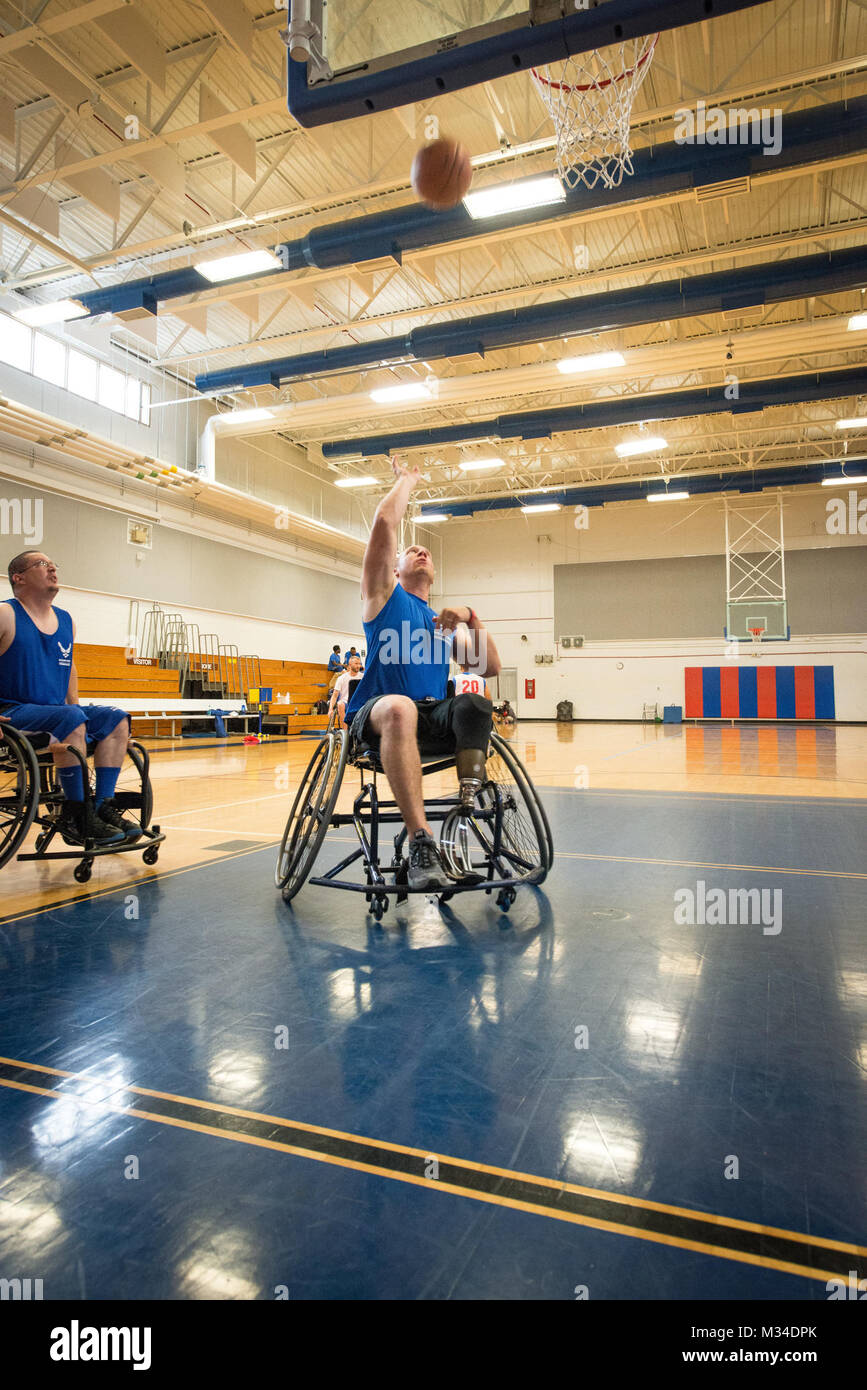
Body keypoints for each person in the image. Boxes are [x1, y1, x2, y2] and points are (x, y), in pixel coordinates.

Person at [344, 458, 500, 891]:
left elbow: (488, 668)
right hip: (376, 718)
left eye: (426, 551)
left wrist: (471, 617)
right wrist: (408, 480)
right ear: (393, 570)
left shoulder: (442, 623)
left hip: (429, 721)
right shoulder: (382, 597)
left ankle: (467, 800)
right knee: (399, 707)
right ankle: (421, 840)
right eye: (411, 551)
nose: (421, 551)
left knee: (474, 701)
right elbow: (383, 524)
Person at [0, 550, 142, 846]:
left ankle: (102, 805)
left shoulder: (66, 620)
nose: (52, 569)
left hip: (56, 714)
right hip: (14, 713)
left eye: (54, 564)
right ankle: (76, 815)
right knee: (70, 718)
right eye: (42, 565)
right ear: (19, 577)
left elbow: (69, 669)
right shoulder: (6, 613)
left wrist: (78, 713)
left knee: (115, 718)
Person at [329, 653, 363, 726]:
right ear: (350, 665)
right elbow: (335, 695)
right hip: (346, 703)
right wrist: (330, 709)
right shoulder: (341, 678)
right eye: (356, 663)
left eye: (359, 664)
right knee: (340, 704)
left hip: (360, 703)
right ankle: (345, 732)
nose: (358, 666)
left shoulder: (363, 677)